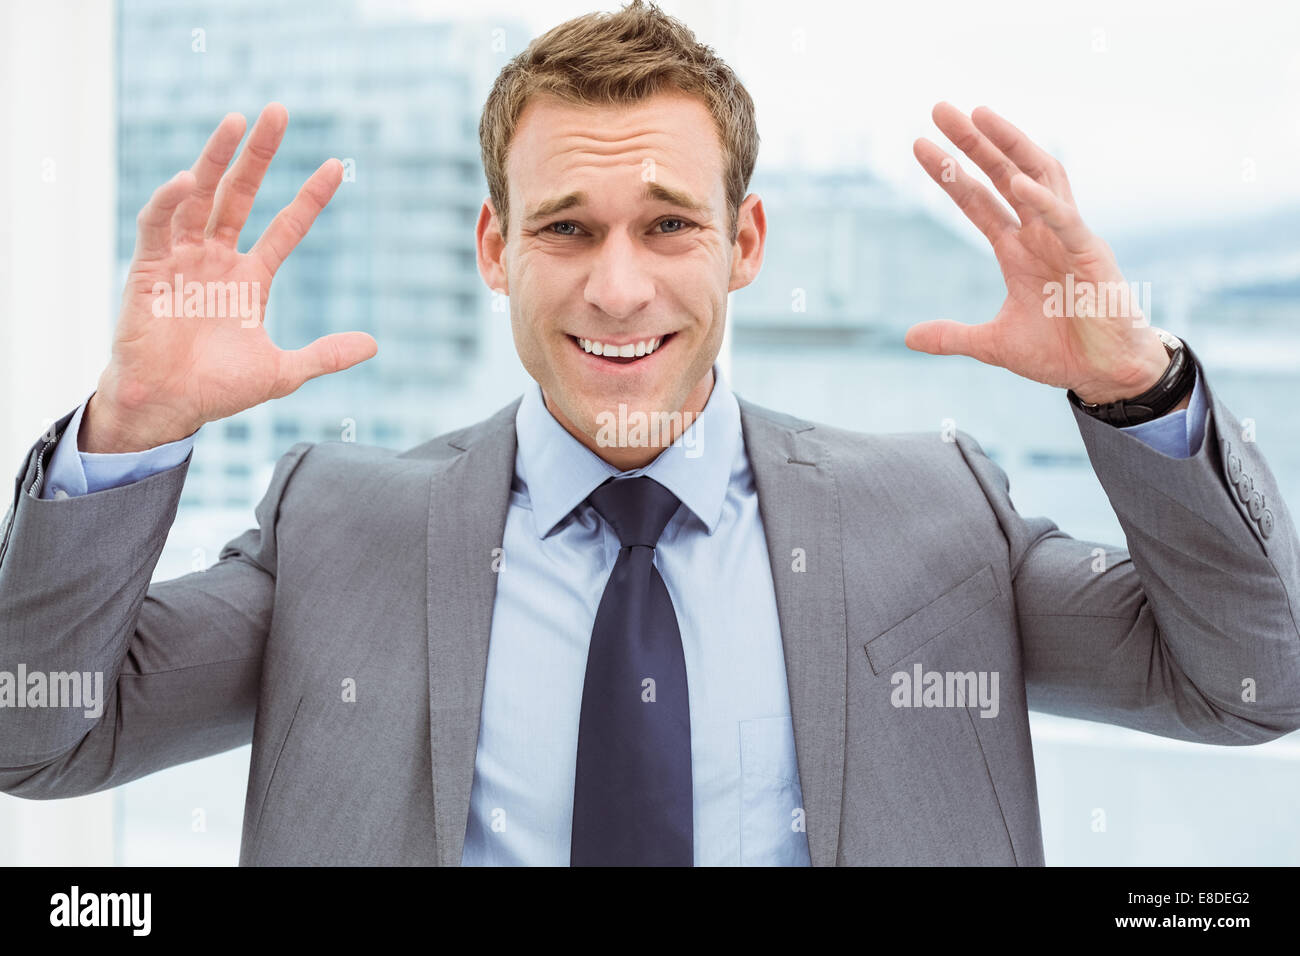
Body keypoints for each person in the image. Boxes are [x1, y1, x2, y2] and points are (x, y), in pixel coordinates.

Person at [1, 0, 1297, 866]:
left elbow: (1251, 685)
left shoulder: (937, 512)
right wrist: (131, 431)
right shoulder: (338, 524)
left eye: (669, 224)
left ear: (745, 245)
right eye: (566, 227)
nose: (617, 288)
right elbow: (35, 735)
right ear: (495, 251)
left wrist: (1137, 387)